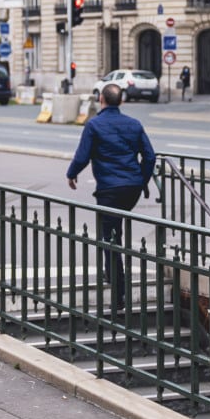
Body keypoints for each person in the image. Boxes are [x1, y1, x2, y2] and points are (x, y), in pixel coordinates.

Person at [66, 82, 157, 315]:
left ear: (101, 100)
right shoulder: (134, 124)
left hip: (109, 189)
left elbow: (82, 156)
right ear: (122, 101)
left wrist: (72, 174)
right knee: (116, 230)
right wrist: (142, 179)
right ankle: (113, 273)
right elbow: (149, 156)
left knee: (110, 238)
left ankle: (118, 293)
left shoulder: (94, 125)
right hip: (132, 188)